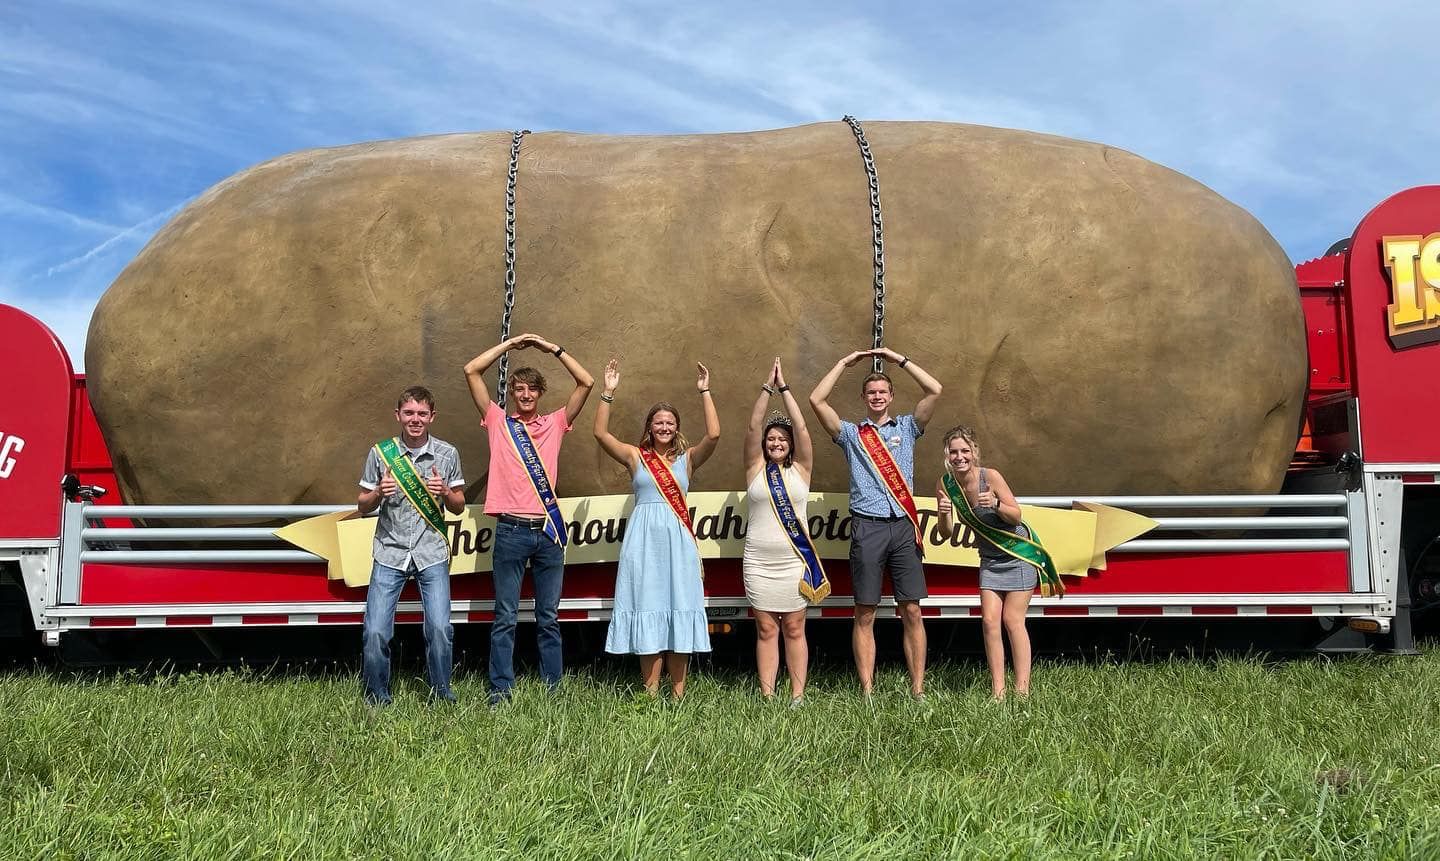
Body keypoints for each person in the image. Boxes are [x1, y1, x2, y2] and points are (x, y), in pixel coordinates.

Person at [464, 333, 594, 706]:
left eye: (531, 390)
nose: (524, 395)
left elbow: (586, 382)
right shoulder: (497, 421)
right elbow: (471, 370)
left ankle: (553, 691)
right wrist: (510, 344)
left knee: (548, 618)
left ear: (539, 394)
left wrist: (552, 347)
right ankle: (500, 690)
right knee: (504, 616)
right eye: (518, 389)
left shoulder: (555, 424)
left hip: (547, 533)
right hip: (510, 531)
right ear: (511, 394)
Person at [809, 347, 942, 698]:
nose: (878, 397)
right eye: (871, 393)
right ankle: (867, 691)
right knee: (864, 611)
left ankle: (917, 689)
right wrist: (842, 363)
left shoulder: (909, 428)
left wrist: (896, 357)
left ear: (892, 396)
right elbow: (817, 400)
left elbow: (935, 390)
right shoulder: (852, 435)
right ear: (864, 398)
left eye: (883, 392)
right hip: (867, 526)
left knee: (911, 609)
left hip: (902, 525)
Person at [594, 358, 720, 698]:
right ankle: (649, 694)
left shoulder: (688, 459)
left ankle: (678, 694)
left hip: (677, 540)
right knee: (648, 605)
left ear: (676, 428)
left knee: (679, 605)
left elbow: (714, 434)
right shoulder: (635, 456)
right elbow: (600, 434)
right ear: (650, 427)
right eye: (658, 422)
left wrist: (705, 391)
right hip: (644, 541)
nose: (664, 427)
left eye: (670, 422)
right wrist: (607, 391)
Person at [357, 385, 467, 705]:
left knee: (439, 629)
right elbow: (362, 504)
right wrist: (378, 491)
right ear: (398, 416)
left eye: (421, 413)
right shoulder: (380, 454)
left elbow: (459, 506)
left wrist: (445, 492)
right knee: (376, 631)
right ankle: (377, 696)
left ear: (432, 416)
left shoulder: (448, 454)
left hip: (430, 551)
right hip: (390, 551)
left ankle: (441, 694)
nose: (415, 419)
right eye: (409, 413)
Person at [936, 426, 1052, 701]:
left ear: (974, 452)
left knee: (1012, 620)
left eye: (965, 451)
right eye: (954, 452)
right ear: (947, 455)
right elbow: (946, 533)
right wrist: (943, 514)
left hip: (1017, 554)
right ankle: (997, 692)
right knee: (989, 622)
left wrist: (997, 504)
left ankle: (1021, 691)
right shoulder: (945, 484)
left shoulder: (991, 477)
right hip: (990, 559)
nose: (959, 457)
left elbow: (1015, 515)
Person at [742, 357, 823, 704]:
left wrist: (786, 388)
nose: (776, 443)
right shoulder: (755, 470)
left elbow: (804, 430)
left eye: (782, 439)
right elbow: (751, 426)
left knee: (793, 628)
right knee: (766, 629)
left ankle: (798, 695)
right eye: (771, 439)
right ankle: (768, 695)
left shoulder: (801, 471)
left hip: (794, 564)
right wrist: (766, 387)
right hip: (759, 563)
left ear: (790, 445)